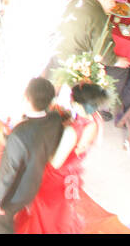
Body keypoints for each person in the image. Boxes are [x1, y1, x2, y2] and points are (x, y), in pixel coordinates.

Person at [0, 77, 64, 234]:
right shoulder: (54, 119)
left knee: (2, 223)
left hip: (13, 193)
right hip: (31, 185)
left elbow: (9, 172)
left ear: (27, 99)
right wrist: (9, 141)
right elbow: (34, 146)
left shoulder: (20, 135)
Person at [14, 83, 108, 234]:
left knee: (43, 211)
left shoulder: (72, 131)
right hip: (72, 172)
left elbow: (55, 163)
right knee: (59, 214)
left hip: (56, 176)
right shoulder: (96, 120)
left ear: (78, 105)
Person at [50, 0, 118, 69]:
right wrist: (117, 61)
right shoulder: (100, 18)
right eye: (111, 1)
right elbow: (104, 55)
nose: (114, 5)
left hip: (54, 49)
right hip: (70, 62)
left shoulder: (76, 1)